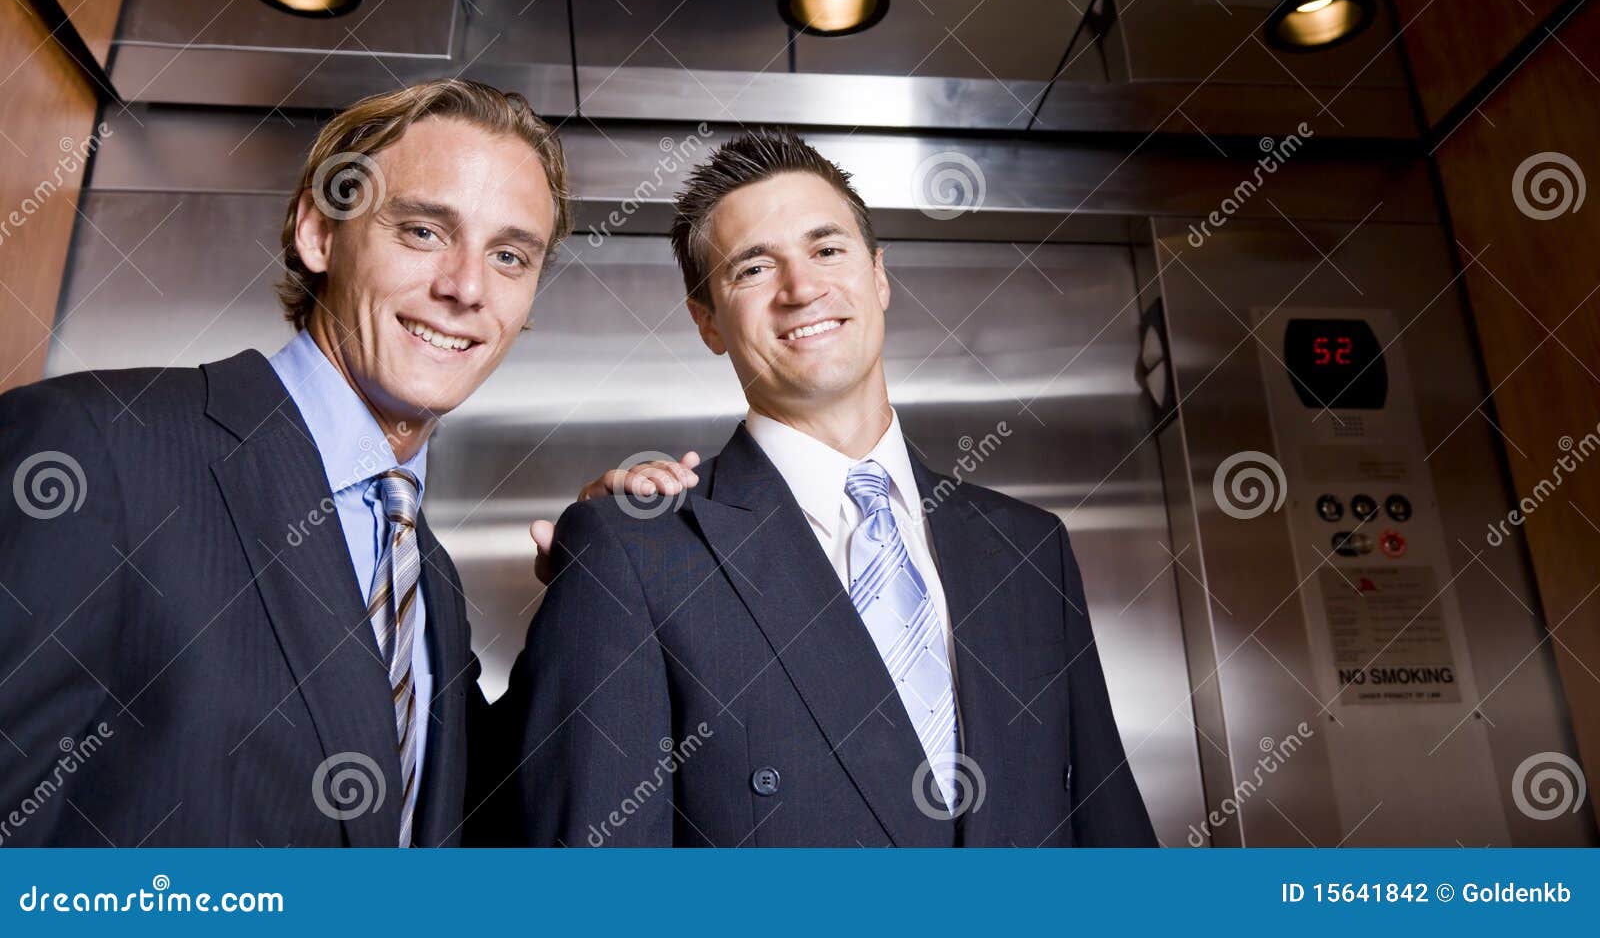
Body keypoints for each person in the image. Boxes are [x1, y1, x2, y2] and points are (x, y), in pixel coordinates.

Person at [0, 79, 692, 847]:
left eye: (508, 255)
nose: (466, 287)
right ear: (318, 233)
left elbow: (474, 832)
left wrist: (601, 584)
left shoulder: (426, 574)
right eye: (423, 231)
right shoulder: (95, 449)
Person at [495, 130, 1157, 846]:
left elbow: (1113, 837)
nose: (803, 288)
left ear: (879, 276)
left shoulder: (1029, 549)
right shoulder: (637, 552)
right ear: (707, 321)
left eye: (827, 249)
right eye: (754, 267)